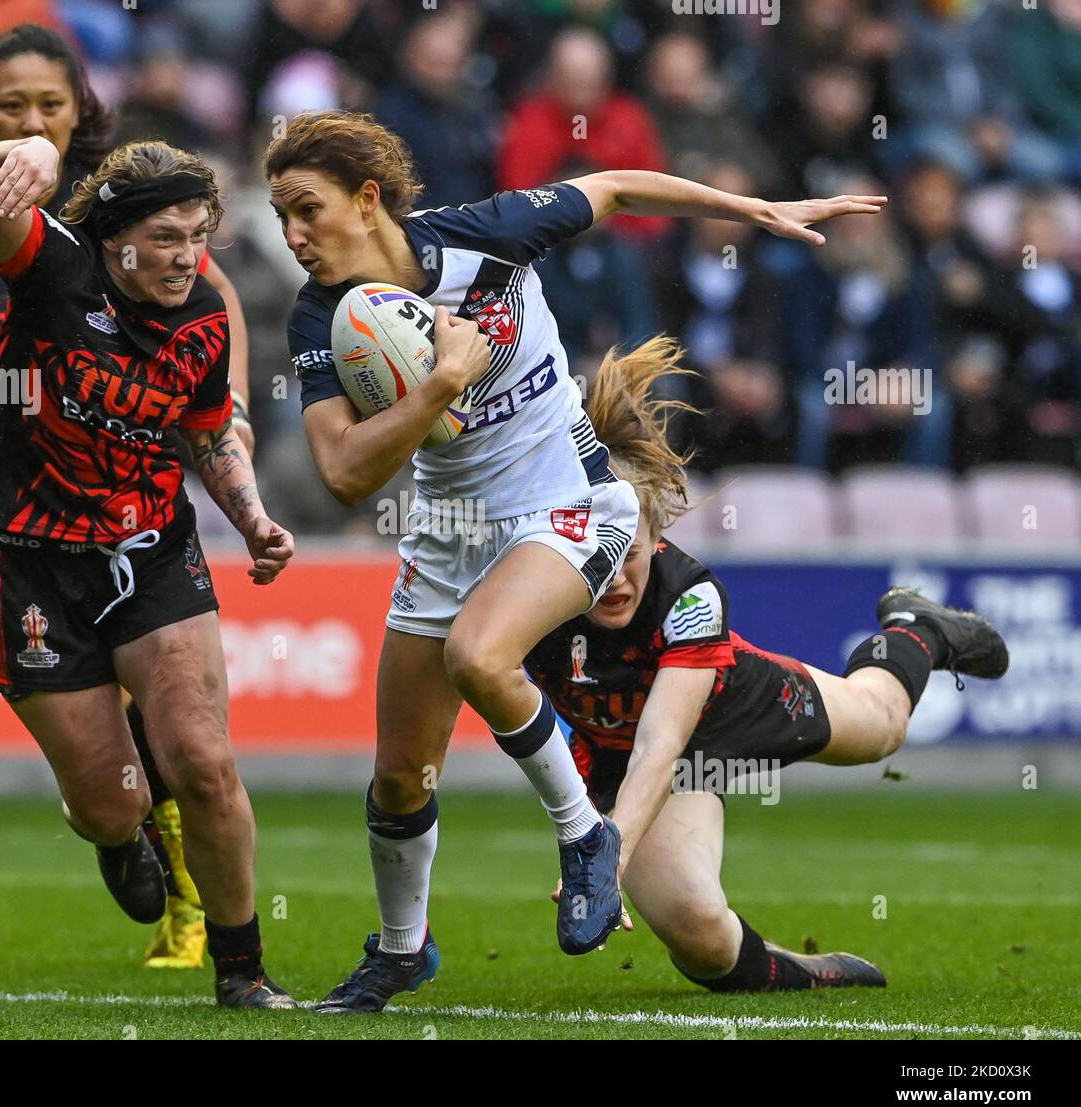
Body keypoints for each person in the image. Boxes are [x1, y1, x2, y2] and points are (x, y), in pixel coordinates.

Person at [266, 108, 886, 1012]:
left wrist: (750, 208)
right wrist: (440, 382)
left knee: (480, 656)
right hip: (448, 530)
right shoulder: (319, 318)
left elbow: (615, 185)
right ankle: (401, 948)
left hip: (568, 507)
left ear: (367, 201)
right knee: (402, 771)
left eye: (306, 208)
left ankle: (586, 835)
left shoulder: (487, 235)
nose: (291, 234)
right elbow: (345, 472)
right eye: (282, 215)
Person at [0, 23, 255, 971]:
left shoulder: (134, 213)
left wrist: (229, 411)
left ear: (82, 106)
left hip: (133, 499)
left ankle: (208, 934)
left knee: (184, 731)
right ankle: (117, 823)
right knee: (104, 763)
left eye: (51, 103)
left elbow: (214, 298)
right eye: (12, 105)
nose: (35, 117)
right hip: (6, 504)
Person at [527, 335, 1009, 992]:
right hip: (620, 756)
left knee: (885, 726)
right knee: (702, 939)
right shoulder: (530, 598)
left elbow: (664, 741)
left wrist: (602, 855)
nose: (613, 578)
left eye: (629, 553)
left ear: (655, 535)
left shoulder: (689, 594)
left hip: (727, 703)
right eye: (597, 559)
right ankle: (802, 971)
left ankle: (916, 629)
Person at [0, 128, 295, 1008]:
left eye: (199, 235)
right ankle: (117, 832)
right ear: (116, 240)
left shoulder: (207, 319)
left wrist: (252, 517)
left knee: (206, 761)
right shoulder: (50, 266)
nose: (189, 258)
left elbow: (209, 429)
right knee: (111, 802)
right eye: (168, 239)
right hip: (30, 564)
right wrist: (25, 147)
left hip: (151, 550)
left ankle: (243, 970)